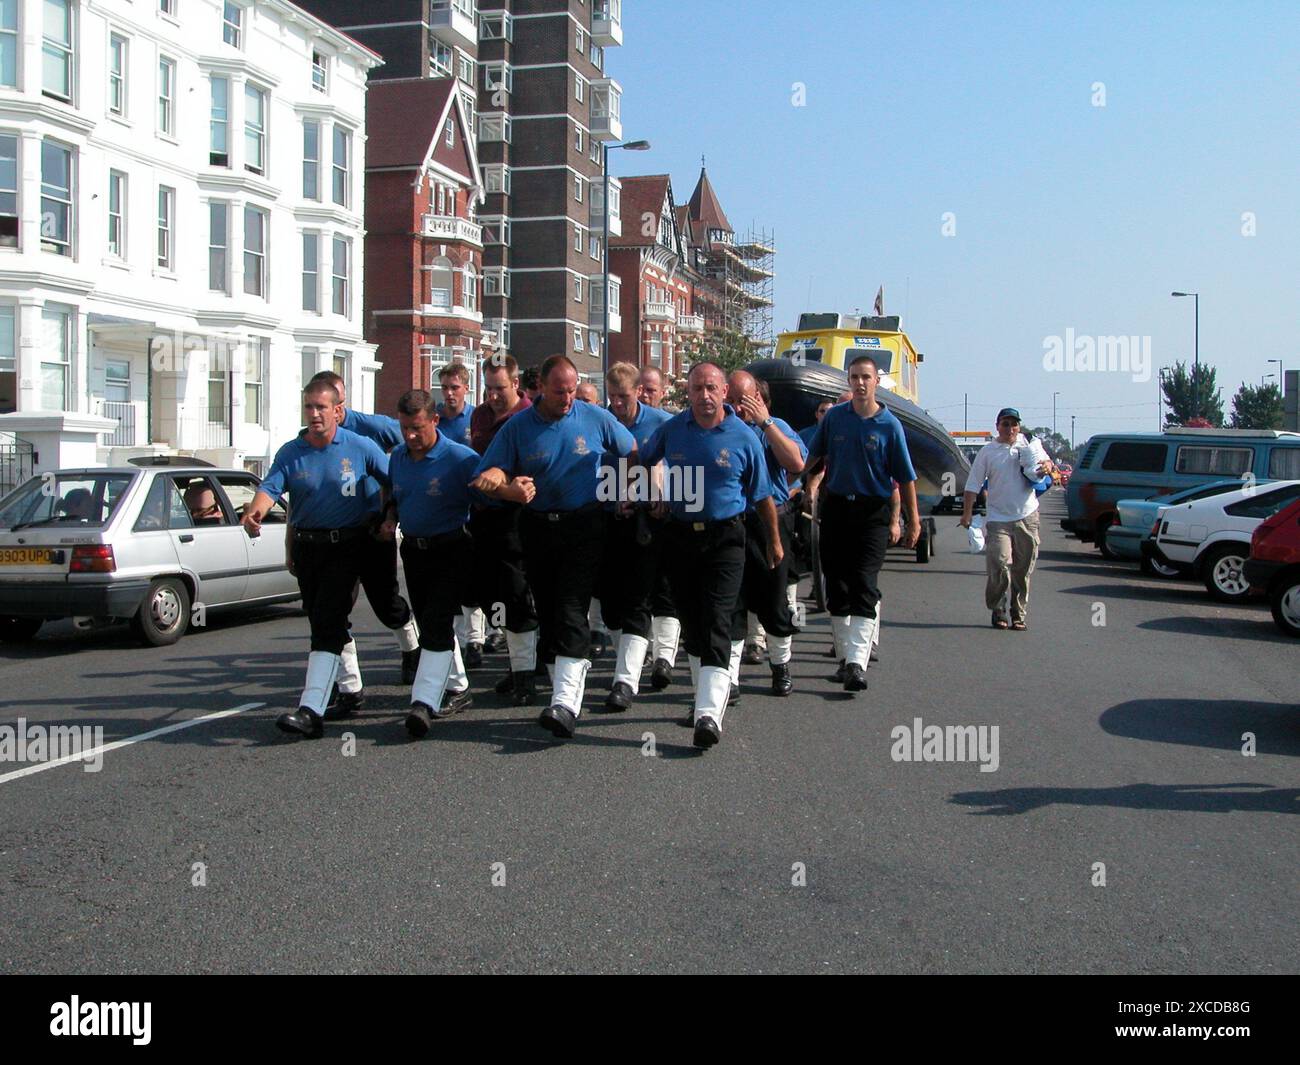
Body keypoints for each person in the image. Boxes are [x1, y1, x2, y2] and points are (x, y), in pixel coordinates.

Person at [472, 354, 637, 739]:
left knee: (570, 608)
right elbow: (495, 470)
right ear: (541, 387)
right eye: (560, 391)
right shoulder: (518, 427)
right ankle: (559, 682)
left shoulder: (594, 417)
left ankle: (565, 703)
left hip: (585, 525)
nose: (567, 399)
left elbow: (630, 450)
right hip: (538, 527)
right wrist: (501, 483)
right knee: (547, 609)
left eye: (572, 390)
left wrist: (624, 491)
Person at [639, 362, 778, 749]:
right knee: (694, 624)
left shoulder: (743, 436)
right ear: (688, 392)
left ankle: (708, 716)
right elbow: (644, 459)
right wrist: (655, 492)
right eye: (697, 388)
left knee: (718, 619)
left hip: (726, 539)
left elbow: (763, 495)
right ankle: (703, 702)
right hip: (682, 538)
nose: (704, 396)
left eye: (712, 388)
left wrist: (774, 541)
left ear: (724, 392)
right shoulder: (673, 429)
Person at [242, 380, 390, 738]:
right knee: (323, 619)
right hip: (309, 547)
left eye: (321, 407)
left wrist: (389, 516)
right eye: (309, 407)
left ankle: (311, 709)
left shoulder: (361, 447)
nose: (314, 414)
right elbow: (270, 488)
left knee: (327, 619)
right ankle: (351, 690)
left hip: (348, 544)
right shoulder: (292, 451)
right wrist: (254, 513)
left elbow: (395, 481)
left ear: (338, 410)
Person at [802, 355, 919, 693]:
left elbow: (906, 477)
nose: (860, 383)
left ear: (876, 382)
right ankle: (844, 656)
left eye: (866, 377)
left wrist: (912, 521)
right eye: (854, 377)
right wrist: (796, 483)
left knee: (864, 583)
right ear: (848, 381)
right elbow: (813, 457)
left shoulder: (889, 425)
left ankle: (857, 663)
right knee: (836, 586)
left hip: (873, 513)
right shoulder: (835, 418)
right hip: (837, 508)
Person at [307, 372, 421, 702]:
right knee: (333, 609)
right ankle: (346, 684)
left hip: (371, 531)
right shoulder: (311, 438)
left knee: (386, 602)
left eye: (336, 403)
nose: (332, 411)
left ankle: (411, 647)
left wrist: (389, 512)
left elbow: (405, 462)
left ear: (342, 403)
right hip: (335, 537)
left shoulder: (373, 429)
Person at [380, 389, 483, 736]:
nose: (410, 436)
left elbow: (489, 498)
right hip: (414, 550)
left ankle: (423, 700)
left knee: (438, 621)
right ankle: (459, 687)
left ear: (434, 420)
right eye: (404, 428)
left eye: (417, 428)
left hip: (451, 548)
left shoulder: (461, 458)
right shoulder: (398, 458)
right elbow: (395, 497)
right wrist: (389, 518)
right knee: (429, 622)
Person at [596, 361, 672, 712]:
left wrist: (661, 496)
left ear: (639, 392)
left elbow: (675, 467)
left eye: (624, 397)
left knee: (640, 600)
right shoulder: (600, 421)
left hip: (649, 522)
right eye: (612, 397)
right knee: (610, 603)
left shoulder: (660, 423)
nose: (618, 404)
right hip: (611, 520)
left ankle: (625, 682)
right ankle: (632, 652)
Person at [467, 353, 542, 702]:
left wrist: (504, 487)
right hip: (484, 517)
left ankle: (524, 675)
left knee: (516, 595)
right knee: (489, 593)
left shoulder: (530, 417)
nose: (492, 396)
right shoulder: (480, 415)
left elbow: (530, 473)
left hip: (517, 516)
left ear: (515, 384)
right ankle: (520, 660)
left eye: (499, 388)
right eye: (488, 388)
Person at [727, 371, 807, 696]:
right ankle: (727, 679)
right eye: (730, 400)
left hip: (770, 521)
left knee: (773, 601)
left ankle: (780, 664)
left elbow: (797, 464)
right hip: (731, 523)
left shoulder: (776, 427)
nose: (736, 408)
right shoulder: (720, 429)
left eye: (743, 400)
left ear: (757, 398)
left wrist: (765, 424)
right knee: (731, 602)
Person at [960, 408, 1048, 630]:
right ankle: (998, 609)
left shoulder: (1028, 447)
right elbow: (973, 484)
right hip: (998, 518)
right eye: (1005, 424)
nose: (1010, 429)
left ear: (1019, 426)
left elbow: (1048, 466)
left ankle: (1018, 613)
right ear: (997, 426)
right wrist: (967, 513)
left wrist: (1047, 466)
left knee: (1023, 568)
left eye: (1014, 424)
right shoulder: (988, 452)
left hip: (1027, 516)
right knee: (999, 563)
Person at [435, 362, 475, 448]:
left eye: (454, 388)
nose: (449, 393)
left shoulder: (477, 417)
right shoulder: (431, 416)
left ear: (466, 389)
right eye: (444, 388)